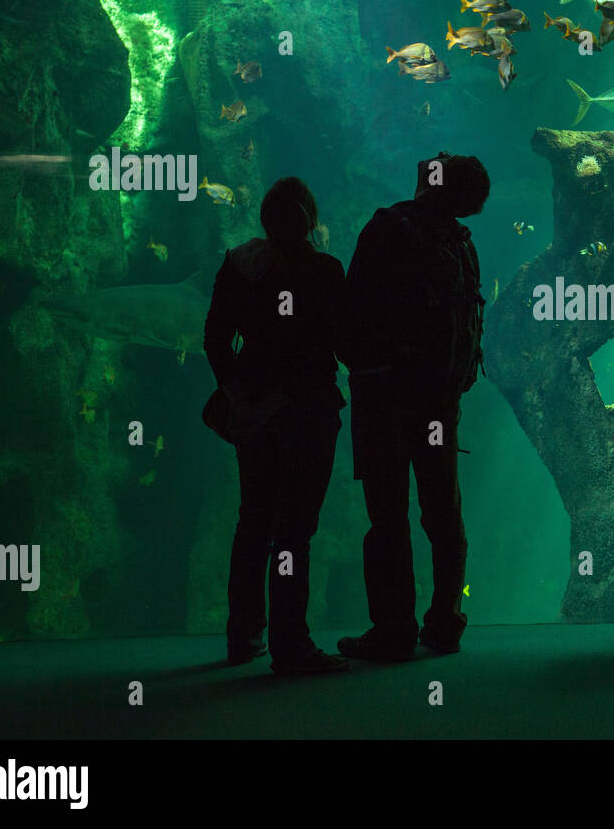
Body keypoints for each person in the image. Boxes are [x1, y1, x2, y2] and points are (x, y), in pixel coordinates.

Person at [337, 152, 489, 662]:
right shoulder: (461, 244)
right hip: (440, 403)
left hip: (383, 399)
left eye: (442, 162)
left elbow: (350, 313)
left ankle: (393, 628)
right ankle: (445, 622)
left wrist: (363, 365)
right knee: (443, 511)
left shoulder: (387, 228)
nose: (434, 159)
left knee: (387, 515)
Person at [204, 177, 349, 676]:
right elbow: (336, 343)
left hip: (254, 416)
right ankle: (291, 644)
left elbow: (215, 340)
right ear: (310, 220)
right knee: (293, 533)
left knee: (253, 524)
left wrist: (242, 396)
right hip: (307, 414)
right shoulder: (325, 270)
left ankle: (244, 635)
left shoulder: (239, 265)